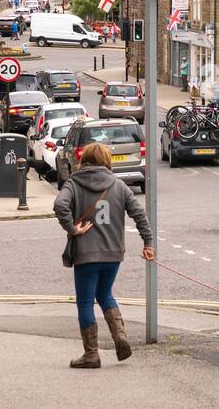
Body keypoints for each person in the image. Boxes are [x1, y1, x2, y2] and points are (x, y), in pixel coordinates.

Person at [53, 143, 155, 369]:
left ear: (85, 159)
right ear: (107, 160)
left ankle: (91, 354)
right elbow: (139, 213)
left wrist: (73, 229)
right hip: (113, 254)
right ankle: (120, 337)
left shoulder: (74, 183)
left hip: (86, 255)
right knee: (105, 294)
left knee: (86, 302)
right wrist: (148, 243)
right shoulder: (118, 185)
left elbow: (60, 205)